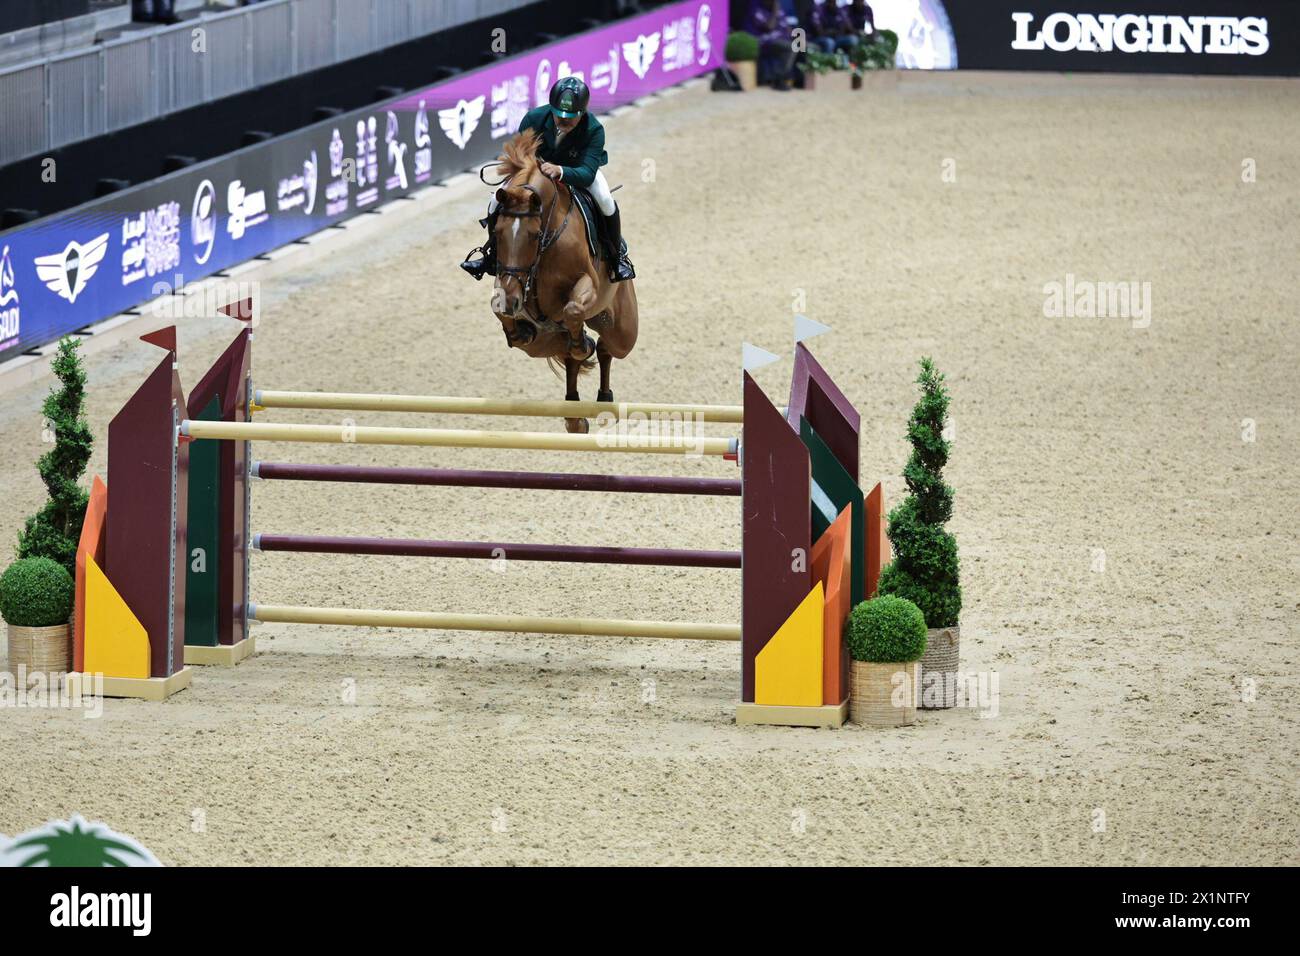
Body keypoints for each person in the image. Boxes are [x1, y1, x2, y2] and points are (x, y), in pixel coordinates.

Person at [461, 77, 634, 283]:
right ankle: (490, 256)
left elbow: (587, 173)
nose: (564, 120)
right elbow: (521, 154)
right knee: (496, 201)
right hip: (538, 171)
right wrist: (532, 168)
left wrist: (560, 171)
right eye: (559, 114)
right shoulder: (534, 119)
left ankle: (617, 258)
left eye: (571, 116)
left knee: (605, 200)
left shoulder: (594, 129)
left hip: (577, 170)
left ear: (583, 112)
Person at [748, 0, 796, 91]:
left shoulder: (780, 11)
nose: (774, 2)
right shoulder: (758, 11)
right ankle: (779, 79)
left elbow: (788, 29)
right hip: (767, 42)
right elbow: (770, 27)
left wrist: (797, 37)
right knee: (791, 48)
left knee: (805, 46)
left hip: (783, 41)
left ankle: (799, 80)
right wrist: (775, 11)